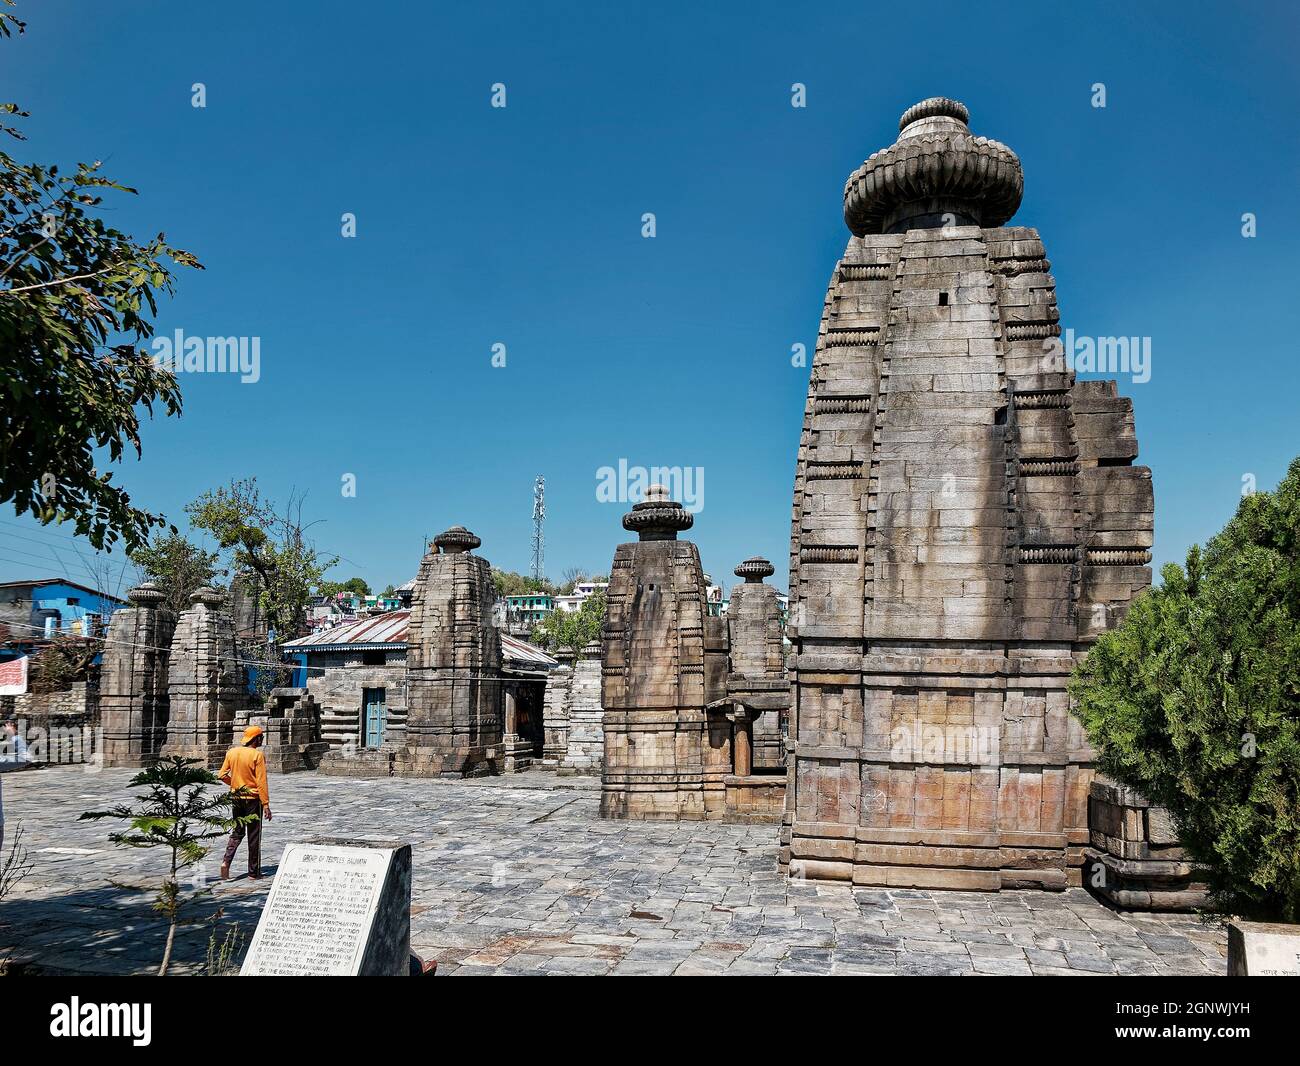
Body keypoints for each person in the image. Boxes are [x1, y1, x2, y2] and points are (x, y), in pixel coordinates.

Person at [218, 725, 272, 880]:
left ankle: (226, 861)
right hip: (253, 800)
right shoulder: (257, 755)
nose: (262, 739)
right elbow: (261, 782)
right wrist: (266, 804)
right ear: (256, 739)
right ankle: (253, 872)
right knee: (254, 835)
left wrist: (235, 784)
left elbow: (221, 775)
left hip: (236, 798)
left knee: (237, 831)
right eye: (261, 737)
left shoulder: (232, 752)